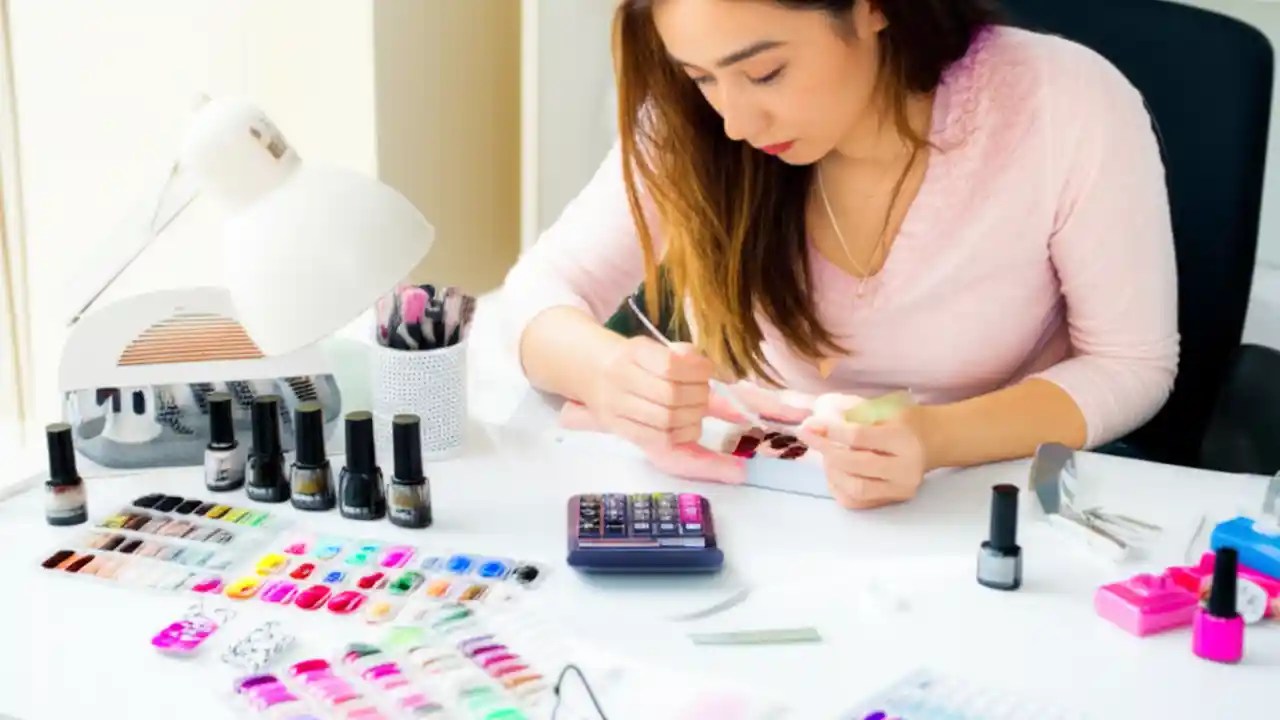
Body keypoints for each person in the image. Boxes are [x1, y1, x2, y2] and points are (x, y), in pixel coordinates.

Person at [498, 0, 1179, 509]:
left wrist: (935, 438)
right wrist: (609, 371)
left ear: (872, 6)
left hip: (982, 505)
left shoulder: (1065, 104)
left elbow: (1131, 365)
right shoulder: (698, 124)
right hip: (767, 503)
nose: (734, 123)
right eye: (701, 77)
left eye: (764, 72)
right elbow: (538, 292)